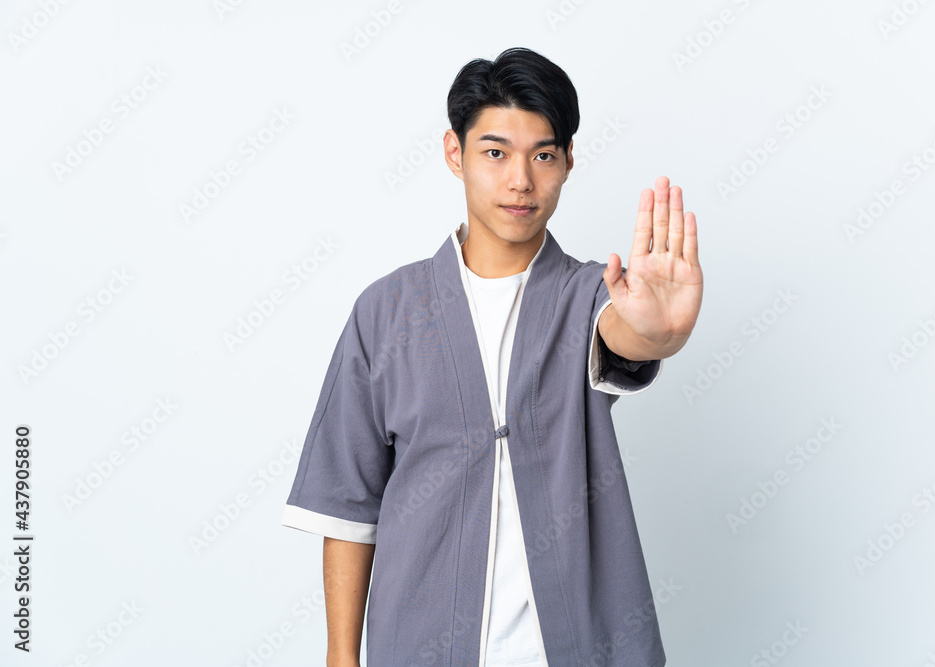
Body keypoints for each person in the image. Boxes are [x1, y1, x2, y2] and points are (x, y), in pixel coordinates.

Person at [281, 46, 703, 667]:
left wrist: (658, 333)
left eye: (543, 155)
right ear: (455, 153)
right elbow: (348, 503)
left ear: (567, 162)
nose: (521, 181)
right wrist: (340, 659)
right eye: (496, 152)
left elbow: (625, 336)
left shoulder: (591, 294)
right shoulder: (386, 312)